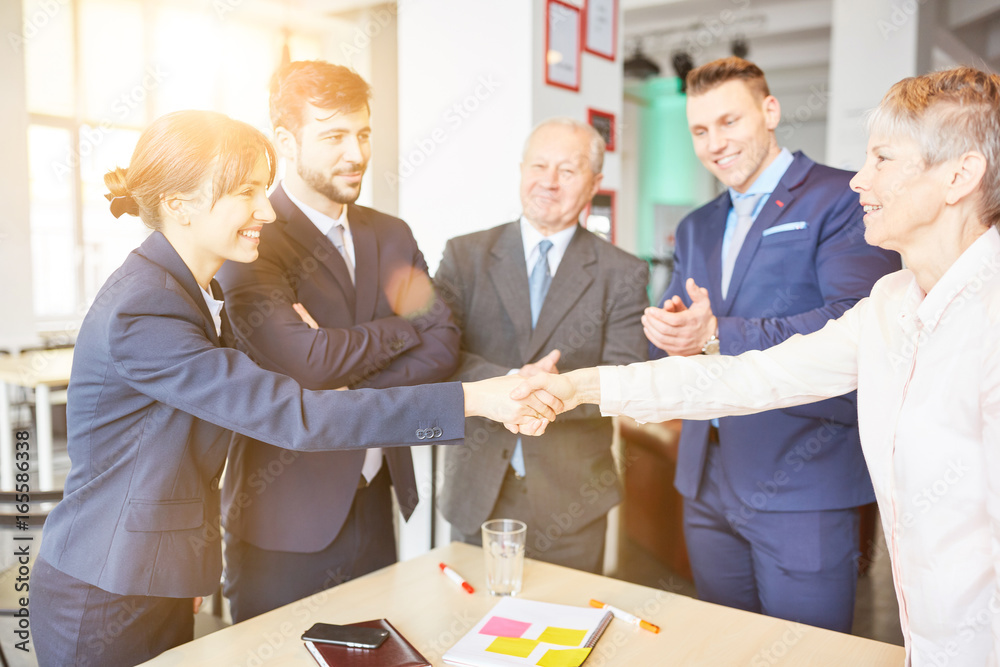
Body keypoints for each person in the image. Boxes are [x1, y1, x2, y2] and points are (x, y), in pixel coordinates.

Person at [30, 109, 550, 667]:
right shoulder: (145, 306)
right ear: (179, 204)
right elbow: (296, 417)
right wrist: (474, 399)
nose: (265, 210)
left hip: (152, 573)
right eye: (247, 192)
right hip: (105, 592)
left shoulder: (193, 294)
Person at [518, 66, 1000, 665]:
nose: (858, 180)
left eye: (881, 159)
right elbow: (750, 377)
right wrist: (578, 387)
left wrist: (717, 332)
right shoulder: (890, 304)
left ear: (961, 175)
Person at [640, 57, 901, 631]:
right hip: (704, 478)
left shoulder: (842, 199)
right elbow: (678, 327)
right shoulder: (696, 225)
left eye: (729, 122)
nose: (715, 144)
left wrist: (715, 334)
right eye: (700, 131)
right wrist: (671, 328)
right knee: (726, 643)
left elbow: (853, 325)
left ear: (770, 111)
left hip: (802, 478)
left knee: (807, 652)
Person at [214, 61, 459, 622]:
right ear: (285, 140)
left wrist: (342, 367)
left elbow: (443, 341)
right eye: (333, 136)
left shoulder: (390, 234)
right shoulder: (252, 237)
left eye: (364, 133)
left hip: (377, 503)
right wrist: (405, 330)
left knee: (377, 653)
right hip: (283, 520)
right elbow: (307, 362)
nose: (356, 153)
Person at [434, 117, 649, 574]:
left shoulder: (623, 272)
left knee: (566, 635)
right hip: (476, 491)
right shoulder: (464, 256)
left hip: (572, 501)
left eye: (567, 171)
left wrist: (557, 389)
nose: (549, 182)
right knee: (470, 627)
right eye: (539, 165)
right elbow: (437, 358)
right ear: (521, 170)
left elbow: (626, 376)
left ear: (594, 183)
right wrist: (514, 382)